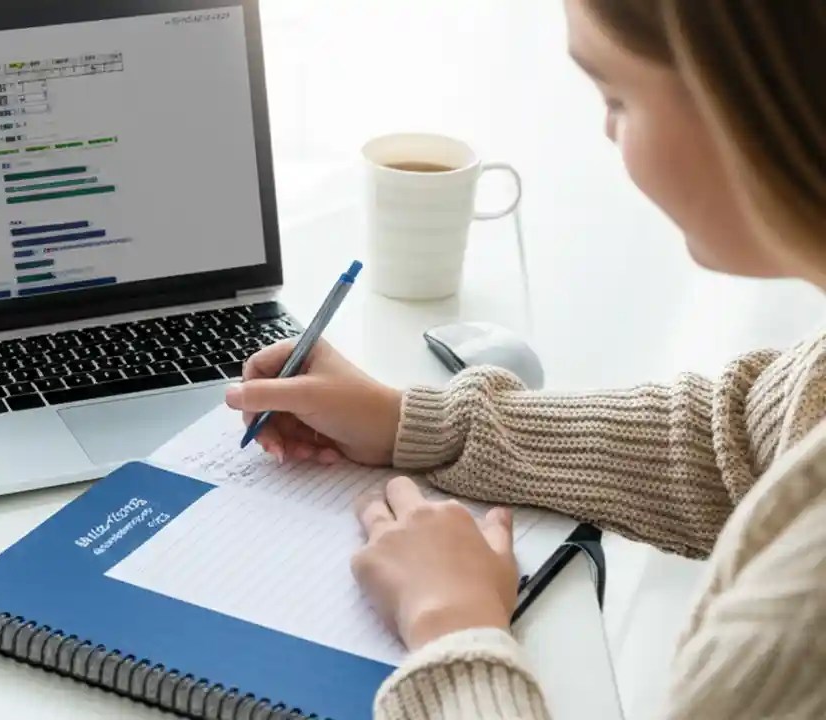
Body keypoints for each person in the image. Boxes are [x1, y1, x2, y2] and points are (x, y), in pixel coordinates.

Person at [224, 1, 826, 717]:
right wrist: (412, 423)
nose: (607, 132)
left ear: (761, 96)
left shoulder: (798, 627)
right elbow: (729, 440)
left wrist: (453, 625)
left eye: (616, 97)